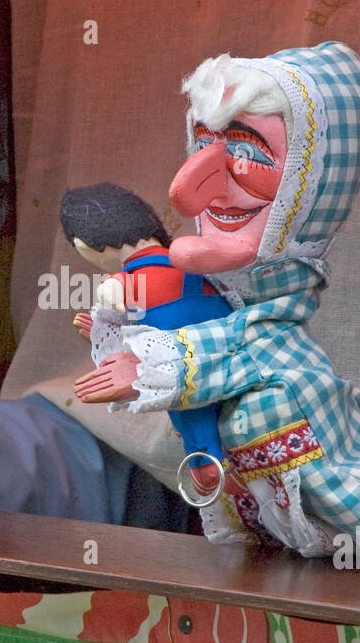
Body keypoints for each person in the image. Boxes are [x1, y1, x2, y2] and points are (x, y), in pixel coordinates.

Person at [76, 45, 360, 572]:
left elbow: (252, 349)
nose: (191, 191)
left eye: (248, 152)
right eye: (203, 145)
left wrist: (146, 366)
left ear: (312, 186)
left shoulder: (281, 350)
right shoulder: (227, 306)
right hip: (302, 572)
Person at [59, 183, 234, 500]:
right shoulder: (188, 262)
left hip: (189, 365)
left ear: (86, 245)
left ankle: (205, 461)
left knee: (187, 402)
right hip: (232, 344)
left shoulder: (122, 282)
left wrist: (109, 321)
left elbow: (145, 335)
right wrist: (103, 333)